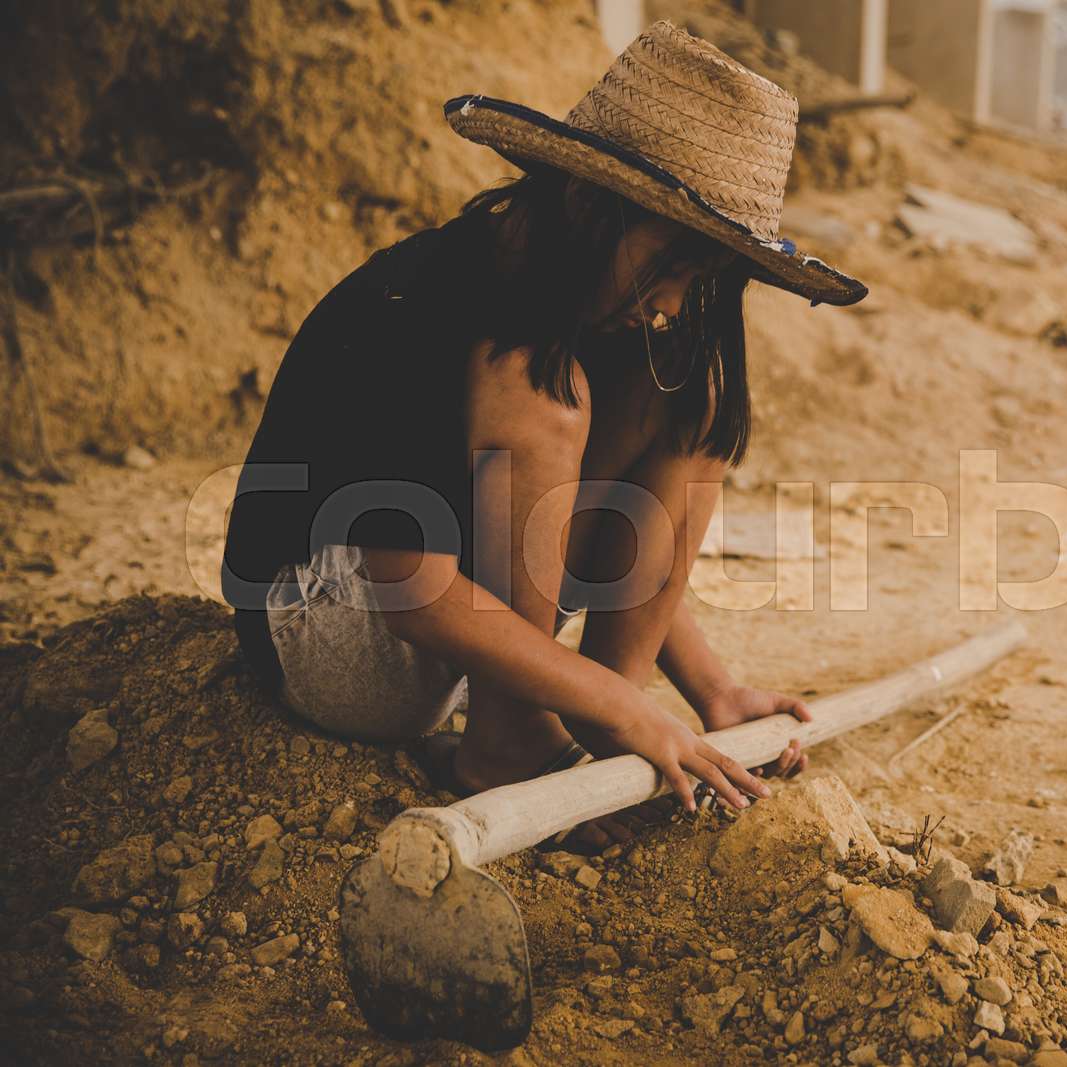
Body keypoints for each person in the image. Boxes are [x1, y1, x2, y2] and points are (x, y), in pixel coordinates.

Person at [221, 22, 867, 846]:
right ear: (590, 203)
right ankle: (512, 745)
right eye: (668, 262)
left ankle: (573, 727)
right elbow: (412, 592)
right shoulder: (422, 301)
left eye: (694, 279)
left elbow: (607, 529)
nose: (670, 302)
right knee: (542, 393)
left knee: (691, 402)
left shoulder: (589, 309)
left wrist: (712, 690)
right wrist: (626, 708)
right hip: (326, 632)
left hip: (470, 637)